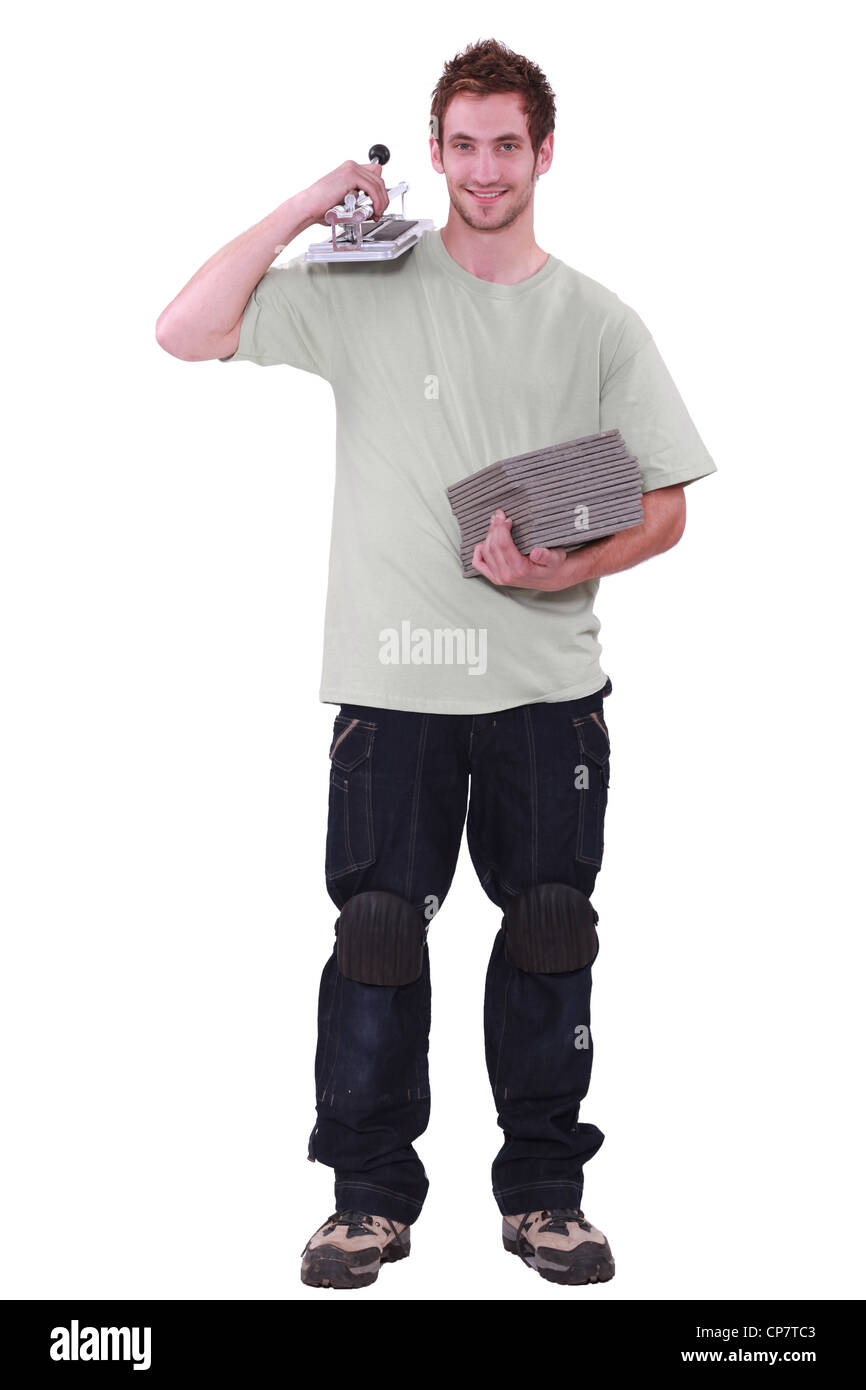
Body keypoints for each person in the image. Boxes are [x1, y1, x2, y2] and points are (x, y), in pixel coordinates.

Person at [155, 37, 716, 1290]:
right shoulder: (364, 283)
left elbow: (667, 504)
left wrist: (563, 570)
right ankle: (365, 1202)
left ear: (543, 152)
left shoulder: (596, 319)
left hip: (544, 695)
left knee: (552, 930)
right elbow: (184, 330)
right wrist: (311, 201)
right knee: (373, 934)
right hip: (392, 689)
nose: (481, 168)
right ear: (433, 151)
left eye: (504, 144)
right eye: (460, 144)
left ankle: (543, 1199)